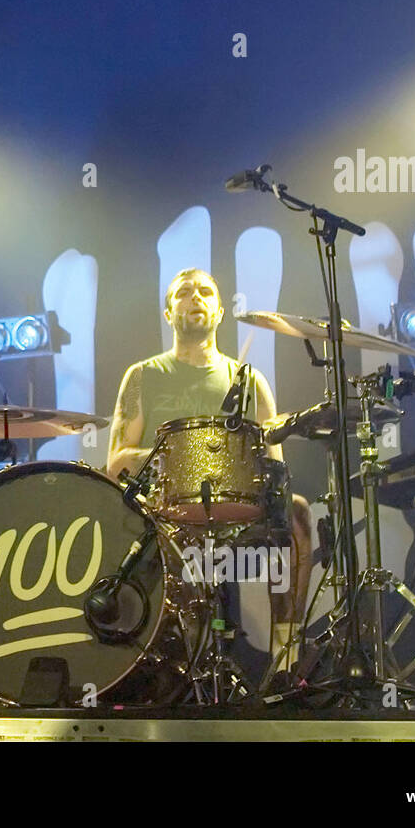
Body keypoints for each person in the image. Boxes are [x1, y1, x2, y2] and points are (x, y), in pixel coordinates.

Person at [106, 268, 313, 666]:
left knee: (297, 513)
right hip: (166, 520)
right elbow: (116, 463)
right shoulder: (142, 375)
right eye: (183, 292)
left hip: (237, 520)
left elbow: (275, 470)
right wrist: (184, 453)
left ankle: (285, 662)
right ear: (168, 313)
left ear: (219, 312)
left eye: (205, 292)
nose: (195, 298)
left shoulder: (249, 379)